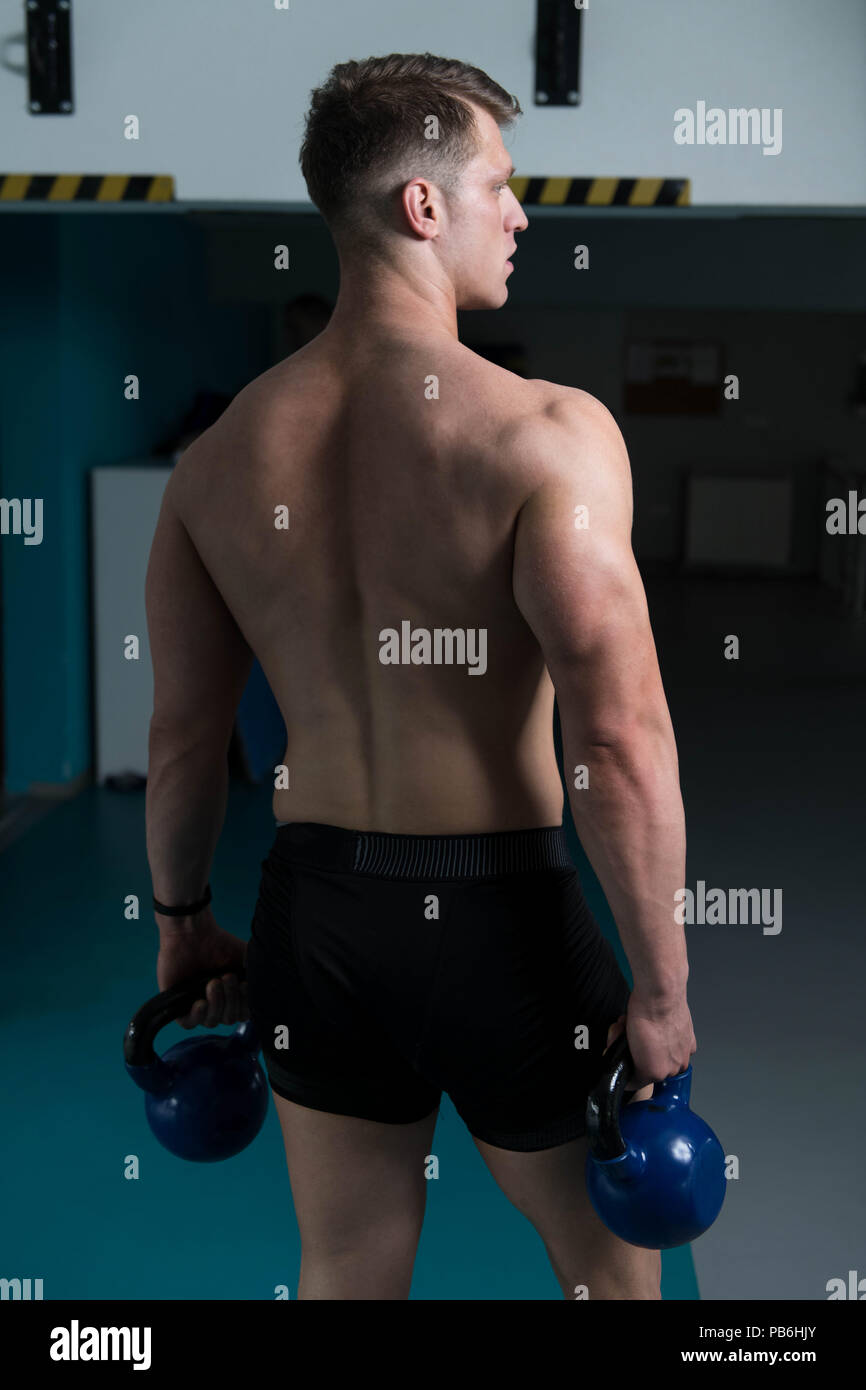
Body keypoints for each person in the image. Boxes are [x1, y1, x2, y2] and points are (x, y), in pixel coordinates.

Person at [144, 52, 696, 1301]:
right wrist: (660, 987)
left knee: (347, 1264)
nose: (520, 211)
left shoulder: (215, 462)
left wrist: (182, 923)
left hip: (319, 917)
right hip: (502, 919)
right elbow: (613, 747)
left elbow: (182, 739)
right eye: (500, 182)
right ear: (421, 204)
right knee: (610, 1273)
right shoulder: (543, 434)